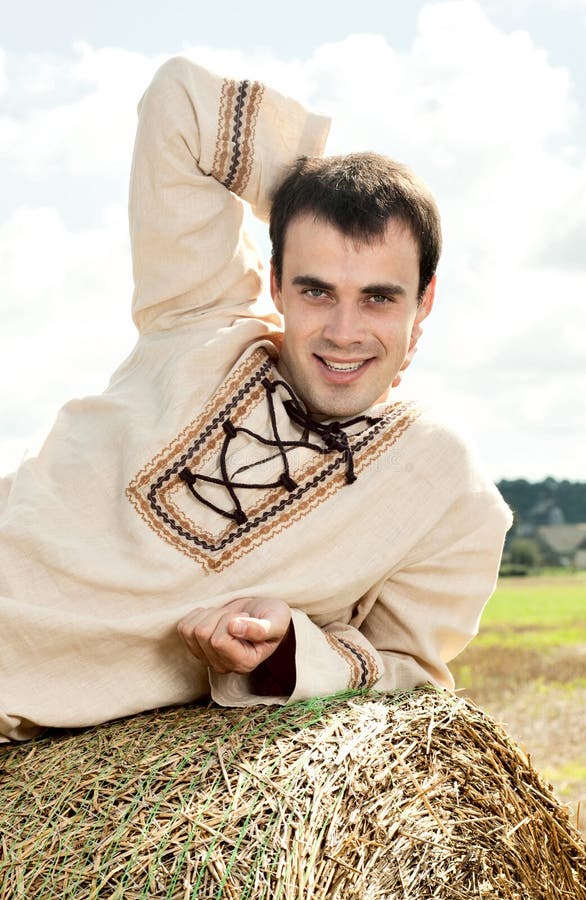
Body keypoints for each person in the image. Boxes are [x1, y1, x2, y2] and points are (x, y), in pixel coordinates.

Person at [0, 57, 511, 743]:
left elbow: (404, 677)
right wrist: (312, 192)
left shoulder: (449, 490)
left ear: (425, 301)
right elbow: (179, 101)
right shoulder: (201, 313)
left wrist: (289, 646)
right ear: (274, 282)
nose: (344, 332)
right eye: (316, 289)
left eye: (380, 298)